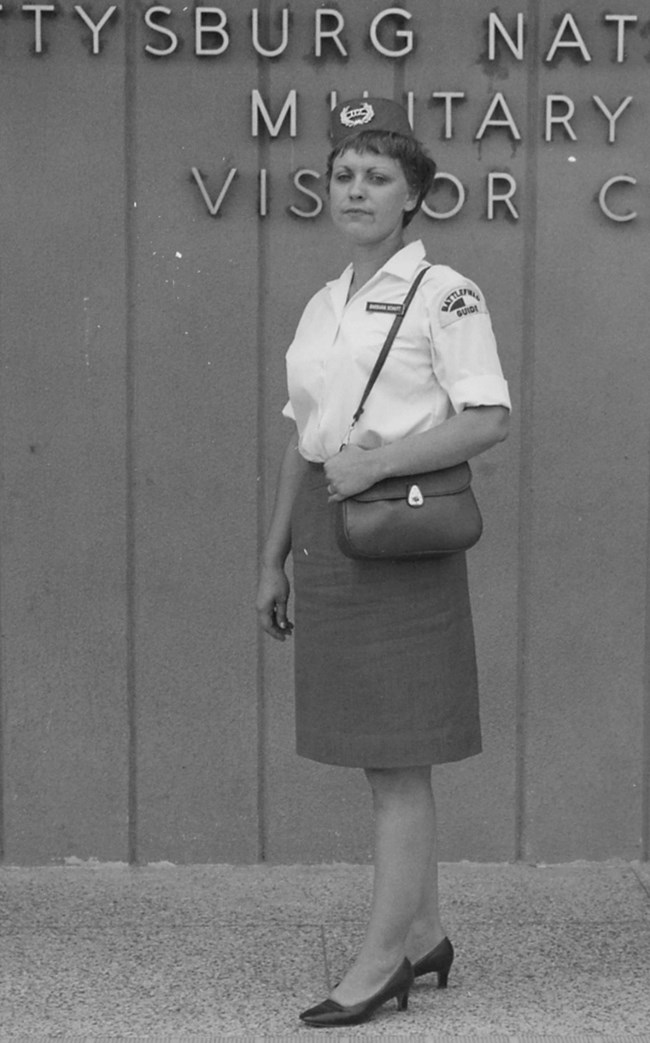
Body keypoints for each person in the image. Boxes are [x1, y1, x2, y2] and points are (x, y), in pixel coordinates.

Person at [256, 97, 511, 1028]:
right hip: (329, 540)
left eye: (377, 177)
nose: (355, 189)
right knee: (380, 759)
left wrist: (378, 459)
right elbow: (301, 439)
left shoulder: (446, 292)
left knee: (399, 765)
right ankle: (427, 932)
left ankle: (379, 963)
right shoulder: (328, 301)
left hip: (399, 539)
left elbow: (487, 416)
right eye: (344, 175)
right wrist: (274, 553)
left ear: (414, 198)